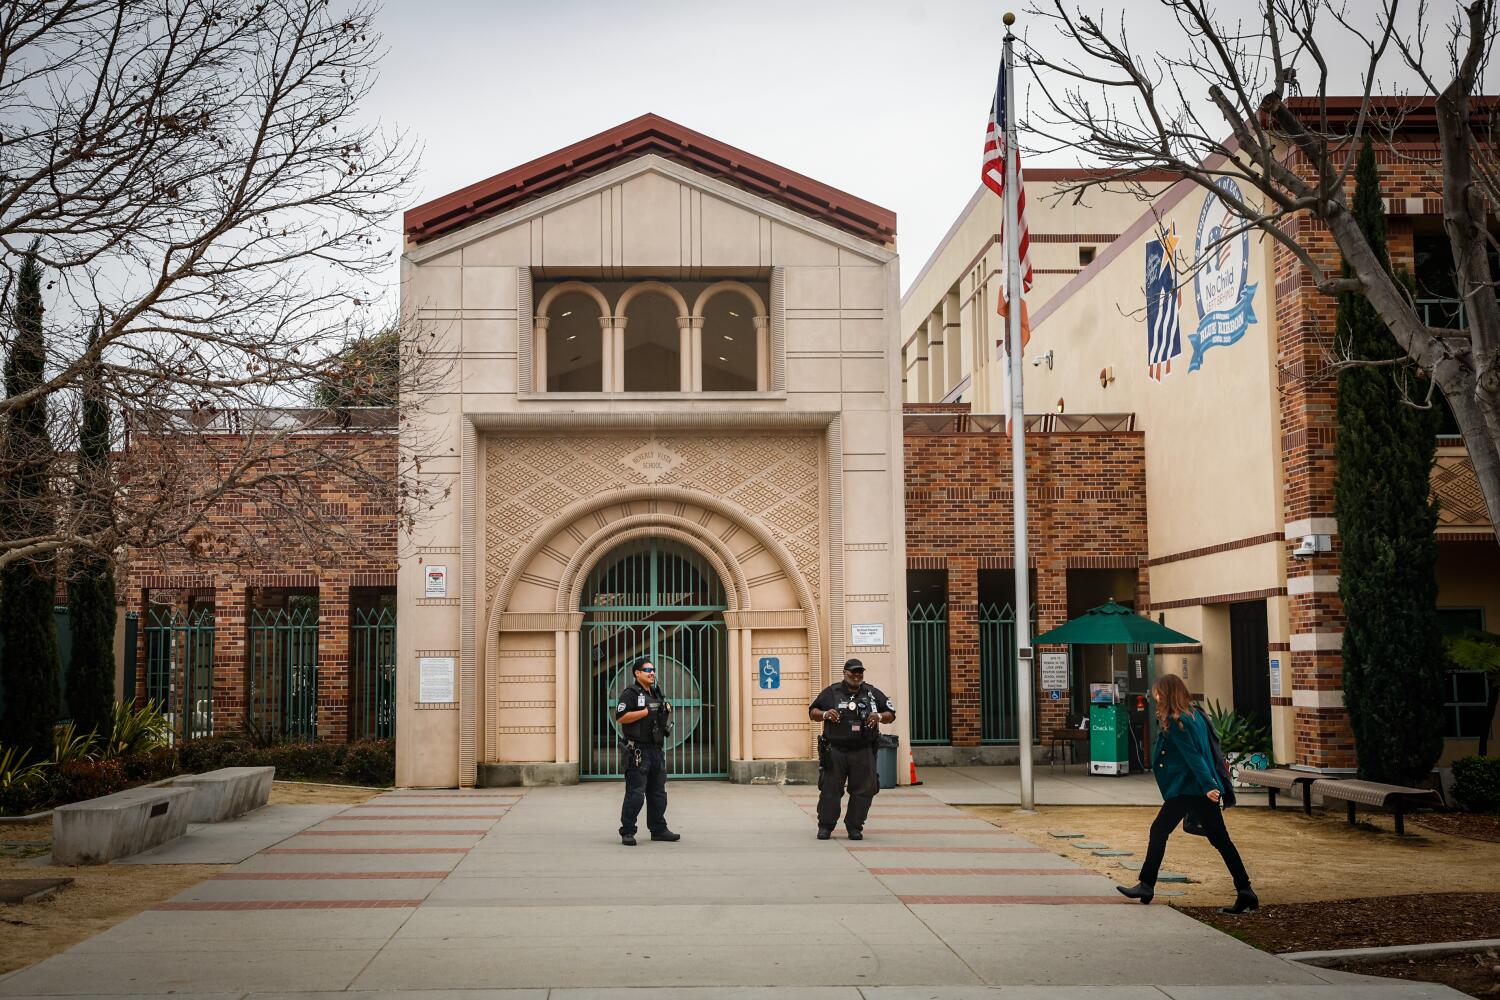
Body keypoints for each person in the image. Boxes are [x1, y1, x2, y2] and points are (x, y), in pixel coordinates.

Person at [1117, 672, 1257, 913]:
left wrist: (1209, 786)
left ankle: (1147, 885)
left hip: (1189, 788)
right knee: (1220, 840)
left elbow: (1194, 756)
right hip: (1196, 788)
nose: (1154, 694)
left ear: (1167, 693)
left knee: (1160, 830)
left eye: (1158, 690)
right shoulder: (1196, 715)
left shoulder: (1177, 721)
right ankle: (1245, 891)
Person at [808, 658, 896, 841]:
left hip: (863, 750)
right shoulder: (832, 692)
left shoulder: (872, 693)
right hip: (836, 750)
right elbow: (813, 712)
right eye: (853, 672)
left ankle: (854, 827)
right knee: (830, 789)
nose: (857, 676)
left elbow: (890, 714)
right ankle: (825, 826)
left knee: (864, 791)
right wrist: (825, 714)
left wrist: (879, 716)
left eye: (860, 673)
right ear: (845, 673)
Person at [614, 657, 680, 847]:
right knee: (635, 793)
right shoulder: (630, 693)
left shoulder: (656, 692)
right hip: (638, 751)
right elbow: (620, 717)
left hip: (656, 750)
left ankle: (658, 829)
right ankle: (627, 831)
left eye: (653, 670)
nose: (652, 673)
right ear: (637, 673)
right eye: (647, 670)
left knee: (658, 793)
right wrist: (643, 713)